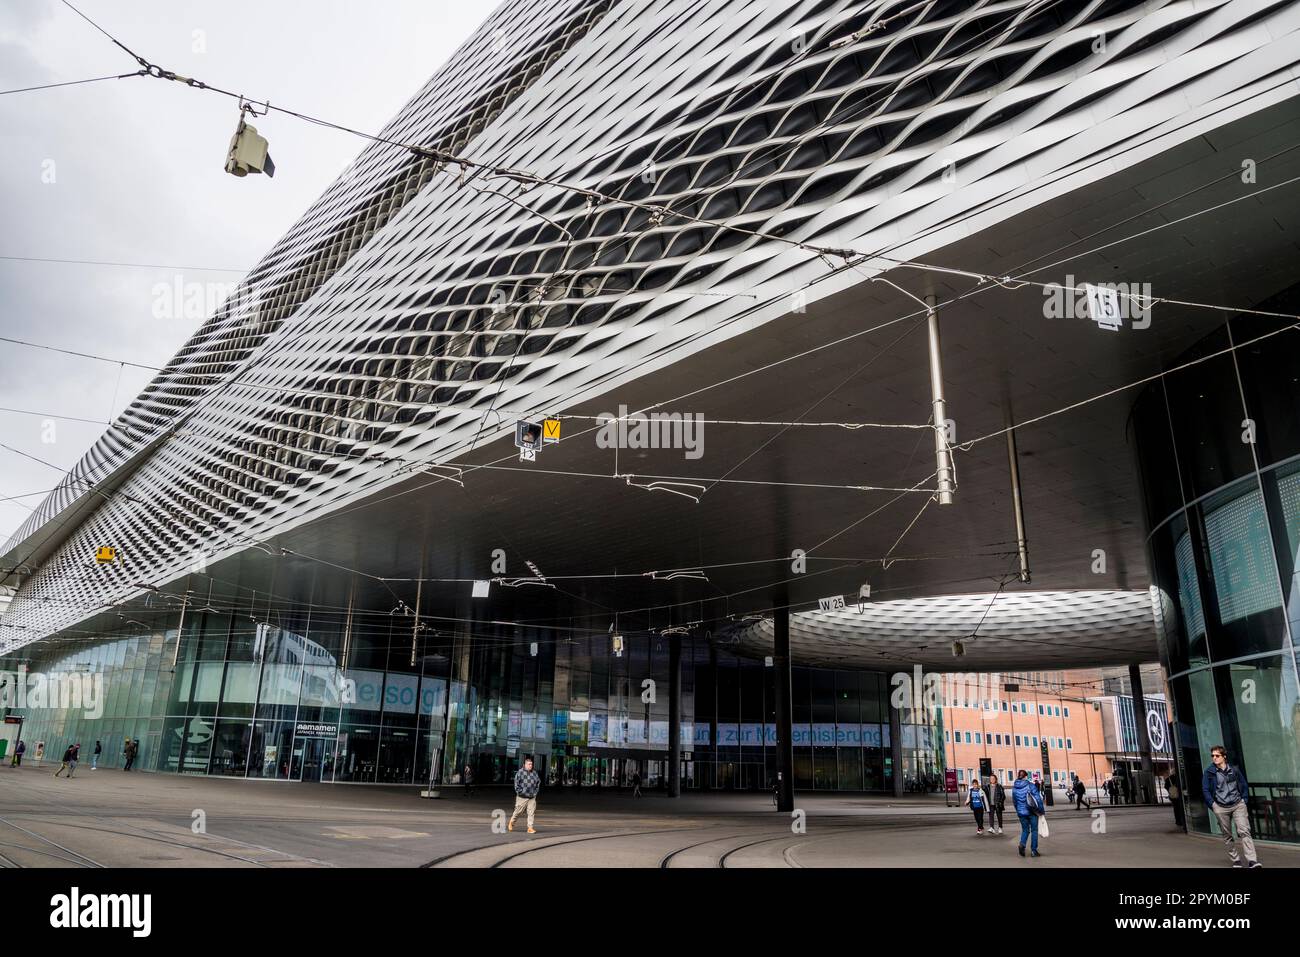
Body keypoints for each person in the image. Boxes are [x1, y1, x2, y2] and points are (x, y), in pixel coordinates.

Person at [1201, 746, 1260, 868]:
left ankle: (1252, 860)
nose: (1214, 758)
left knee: (1244, 831)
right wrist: (1213, 804)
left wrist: (1244, 799)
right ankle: (1236, 860)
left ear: (1224, 757)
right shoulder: (1209, 772)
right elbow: (1205, 789)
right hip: (1220, 807)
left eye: (1217, 755)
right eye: (1212, 756)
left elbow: (1243, 784)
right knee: (1227, 836)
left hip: (1238, 804)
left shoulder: (1234, 770)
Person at [1012, 769, 1045, 858]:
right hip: (1032, 812)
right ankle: (1034, 851)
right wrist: (1041, 811)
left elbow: (1014, 802)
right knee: (1034, 830)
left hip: (1021, 812)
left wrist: (1018, 810)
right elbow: (1038, 799)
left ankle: (1022, 844)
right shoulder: (1031, 785)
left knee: (1025, 830)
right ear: (1026, 776)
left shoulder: (1014, 788)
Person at [508, 756, 542, 834]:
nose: (531, 766)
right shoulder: (520, 772)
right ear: (525, 765)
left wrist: (535, 792)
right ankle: (511, 822)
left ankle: (530, 828)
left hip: (532, 797)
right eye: (529, 764)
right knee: (518, 812)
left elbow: (538, 782)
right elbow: (516, 784)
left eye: (531, 764)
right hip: (522, 797)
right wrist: (520, 792)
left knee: (531, 812)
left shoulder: (534, 773)